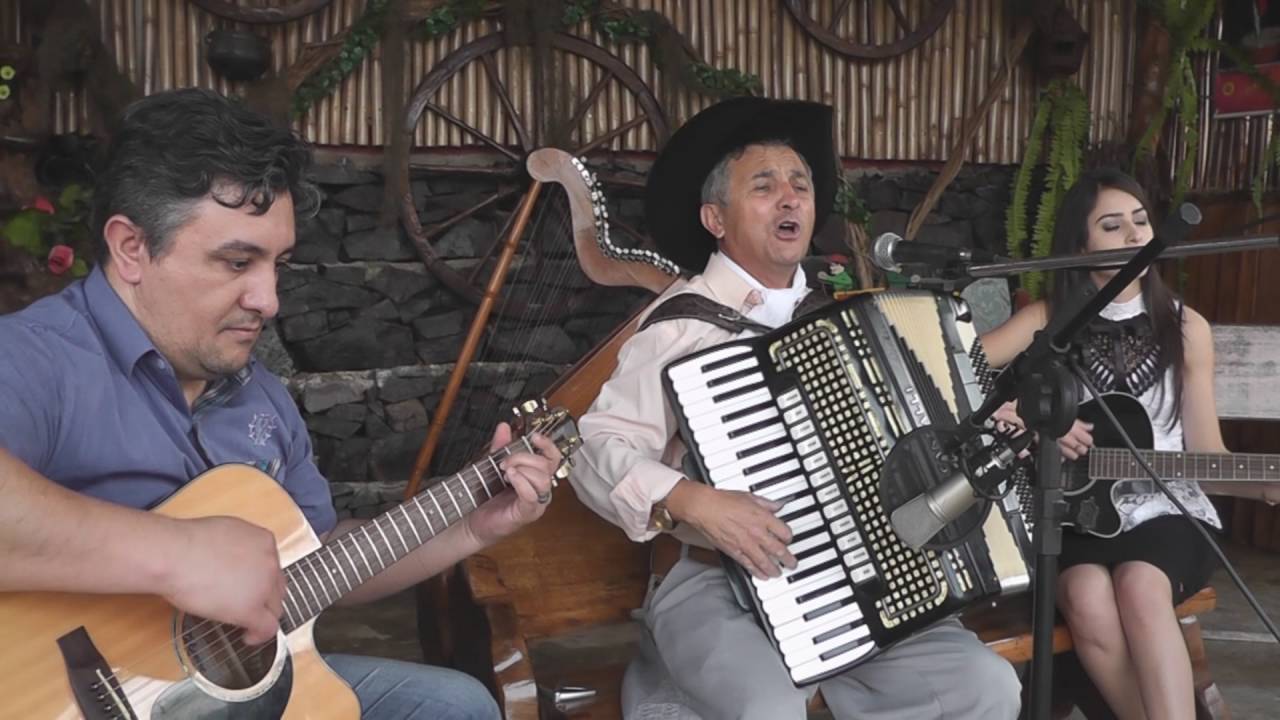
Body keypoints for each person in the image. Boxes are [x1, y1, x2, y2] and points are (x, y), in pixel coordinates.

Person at [0, 87, 562, 720]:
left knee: (454, 706)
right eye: (237, 261)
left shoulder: (259, 396)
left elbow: (314, 560)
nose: (268, 300)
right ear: (132, 248)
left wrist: (471, 524)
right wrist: (173, 555)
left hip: (228, 696)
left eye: (278, 266)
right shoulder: (35, 358)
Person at [569, 96, 1021, 720]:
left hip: (861, 576)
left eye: (800, 184)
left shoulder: (854, 325)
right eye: (764, 185)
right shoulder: (679, 326)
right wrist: (692, 500)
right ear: (715, 219)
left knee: (986, 686)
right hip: (713, 581)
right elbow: (595, 446)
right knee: (767, 711)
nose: (789, 197)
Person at [979, 167, 1271, 719]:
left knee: (1140, 585)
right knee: (1087, 596)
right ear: (1079, 245)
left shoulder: (1186, 328)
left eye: (1141, 221)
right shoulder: (1045, 320)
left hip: (1167, 512)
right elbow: (953, 369)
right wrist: (1026, 418)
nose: (1136, 235)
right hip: (1072, 514)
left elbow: (1207, 459)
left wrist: (1267, 487)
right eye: (1113, 226)